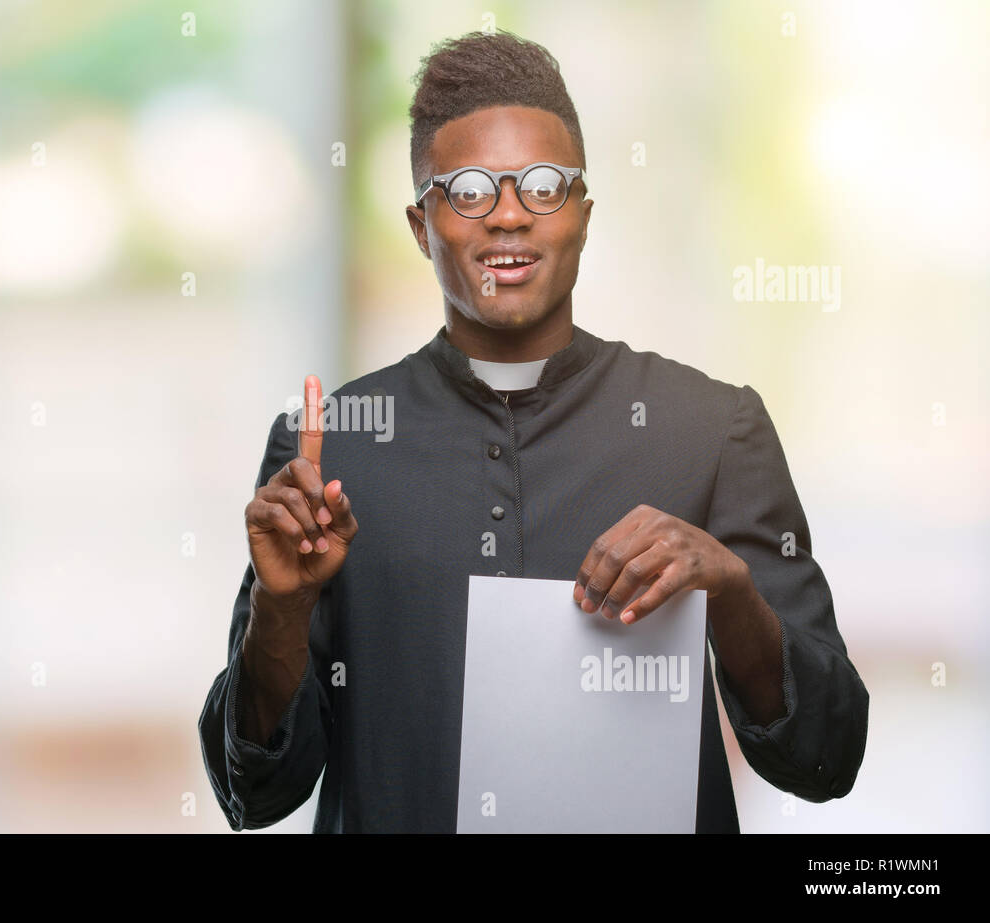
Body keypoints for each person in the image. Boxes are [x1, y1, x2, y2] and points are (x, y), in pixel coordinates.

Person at [197, 30, 868, 833]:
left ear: (583, 214)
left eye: (544, 186)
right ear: (422, 225)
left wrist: (730, 589)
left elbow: (829, 756)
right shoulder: (327, 449)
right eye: (471, 190)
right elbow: (255, 795)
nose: (510, 215)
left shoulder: (715, 429)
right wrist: (282, 608)